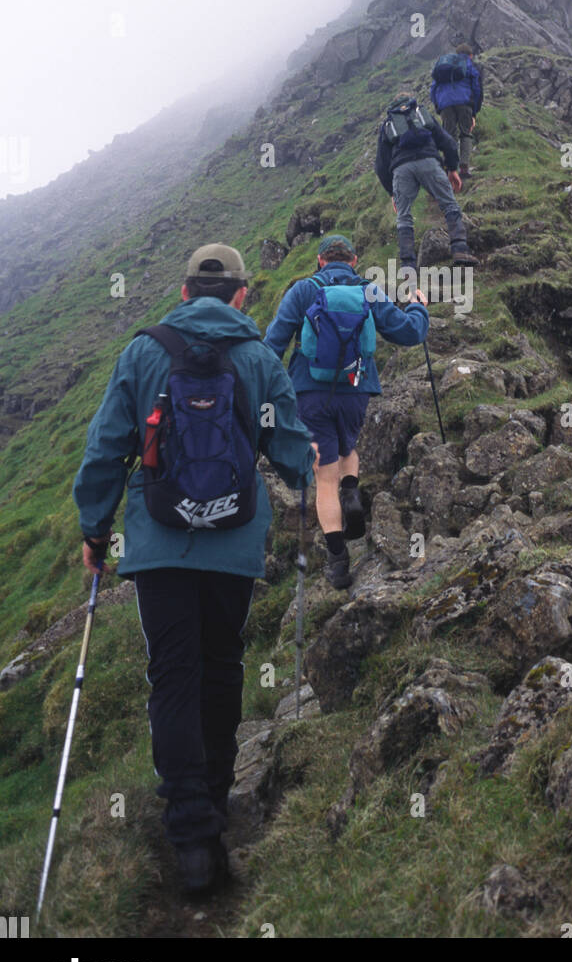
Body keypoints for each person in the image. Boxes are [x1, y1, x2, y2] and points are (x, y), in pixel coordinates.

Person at [73, 244, 316, 894]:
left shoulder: (143, 352)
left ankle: (190, 838)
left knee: (172, 677)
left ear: (184, 293)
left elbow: (106, 449)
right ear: (241, 296)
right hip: (233, 545)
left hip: (158, 546)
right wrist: (315, 493)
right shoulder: (260, 358)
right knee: (222, 669)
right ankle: (214, 804)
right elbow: (292, 450)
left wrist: (95, 530)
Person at [264, 233, 429, 588]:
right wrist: (418, 306)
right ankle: (351, 489)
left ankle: (338, 561)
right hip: (356, 389)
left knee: (324, 475)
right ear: (354, 261)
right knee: (347, 447)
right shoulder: (368, 290)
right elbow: (409, 333)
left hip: (309, 392)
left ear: (320, 260)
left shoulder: (302, 290)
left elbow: (272, 346)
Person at [375, 92, 479, 273]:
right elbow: (447, 141)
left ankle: (407, 265)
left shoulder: (388, 124)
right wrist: (452, 168)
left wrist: (392, 192)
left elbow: (381, 165)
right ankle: (460, 250)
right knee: (449, 204)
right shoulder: (421, 114)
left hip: (402, 168)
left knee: (404, 215)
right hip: (429, 162)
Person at [429, 43, 483, 178]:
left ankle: (450, 168)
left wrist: (438, 106)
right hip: (464, 102)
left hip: (445, 104)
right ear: (470, 55)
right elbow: (477, 88)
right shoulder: (470, 65)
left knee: (449, 136)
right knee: (466, 133)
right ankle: (464, 167)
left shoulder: (444, 65)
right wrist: (474, 111)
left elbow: (433, 88)